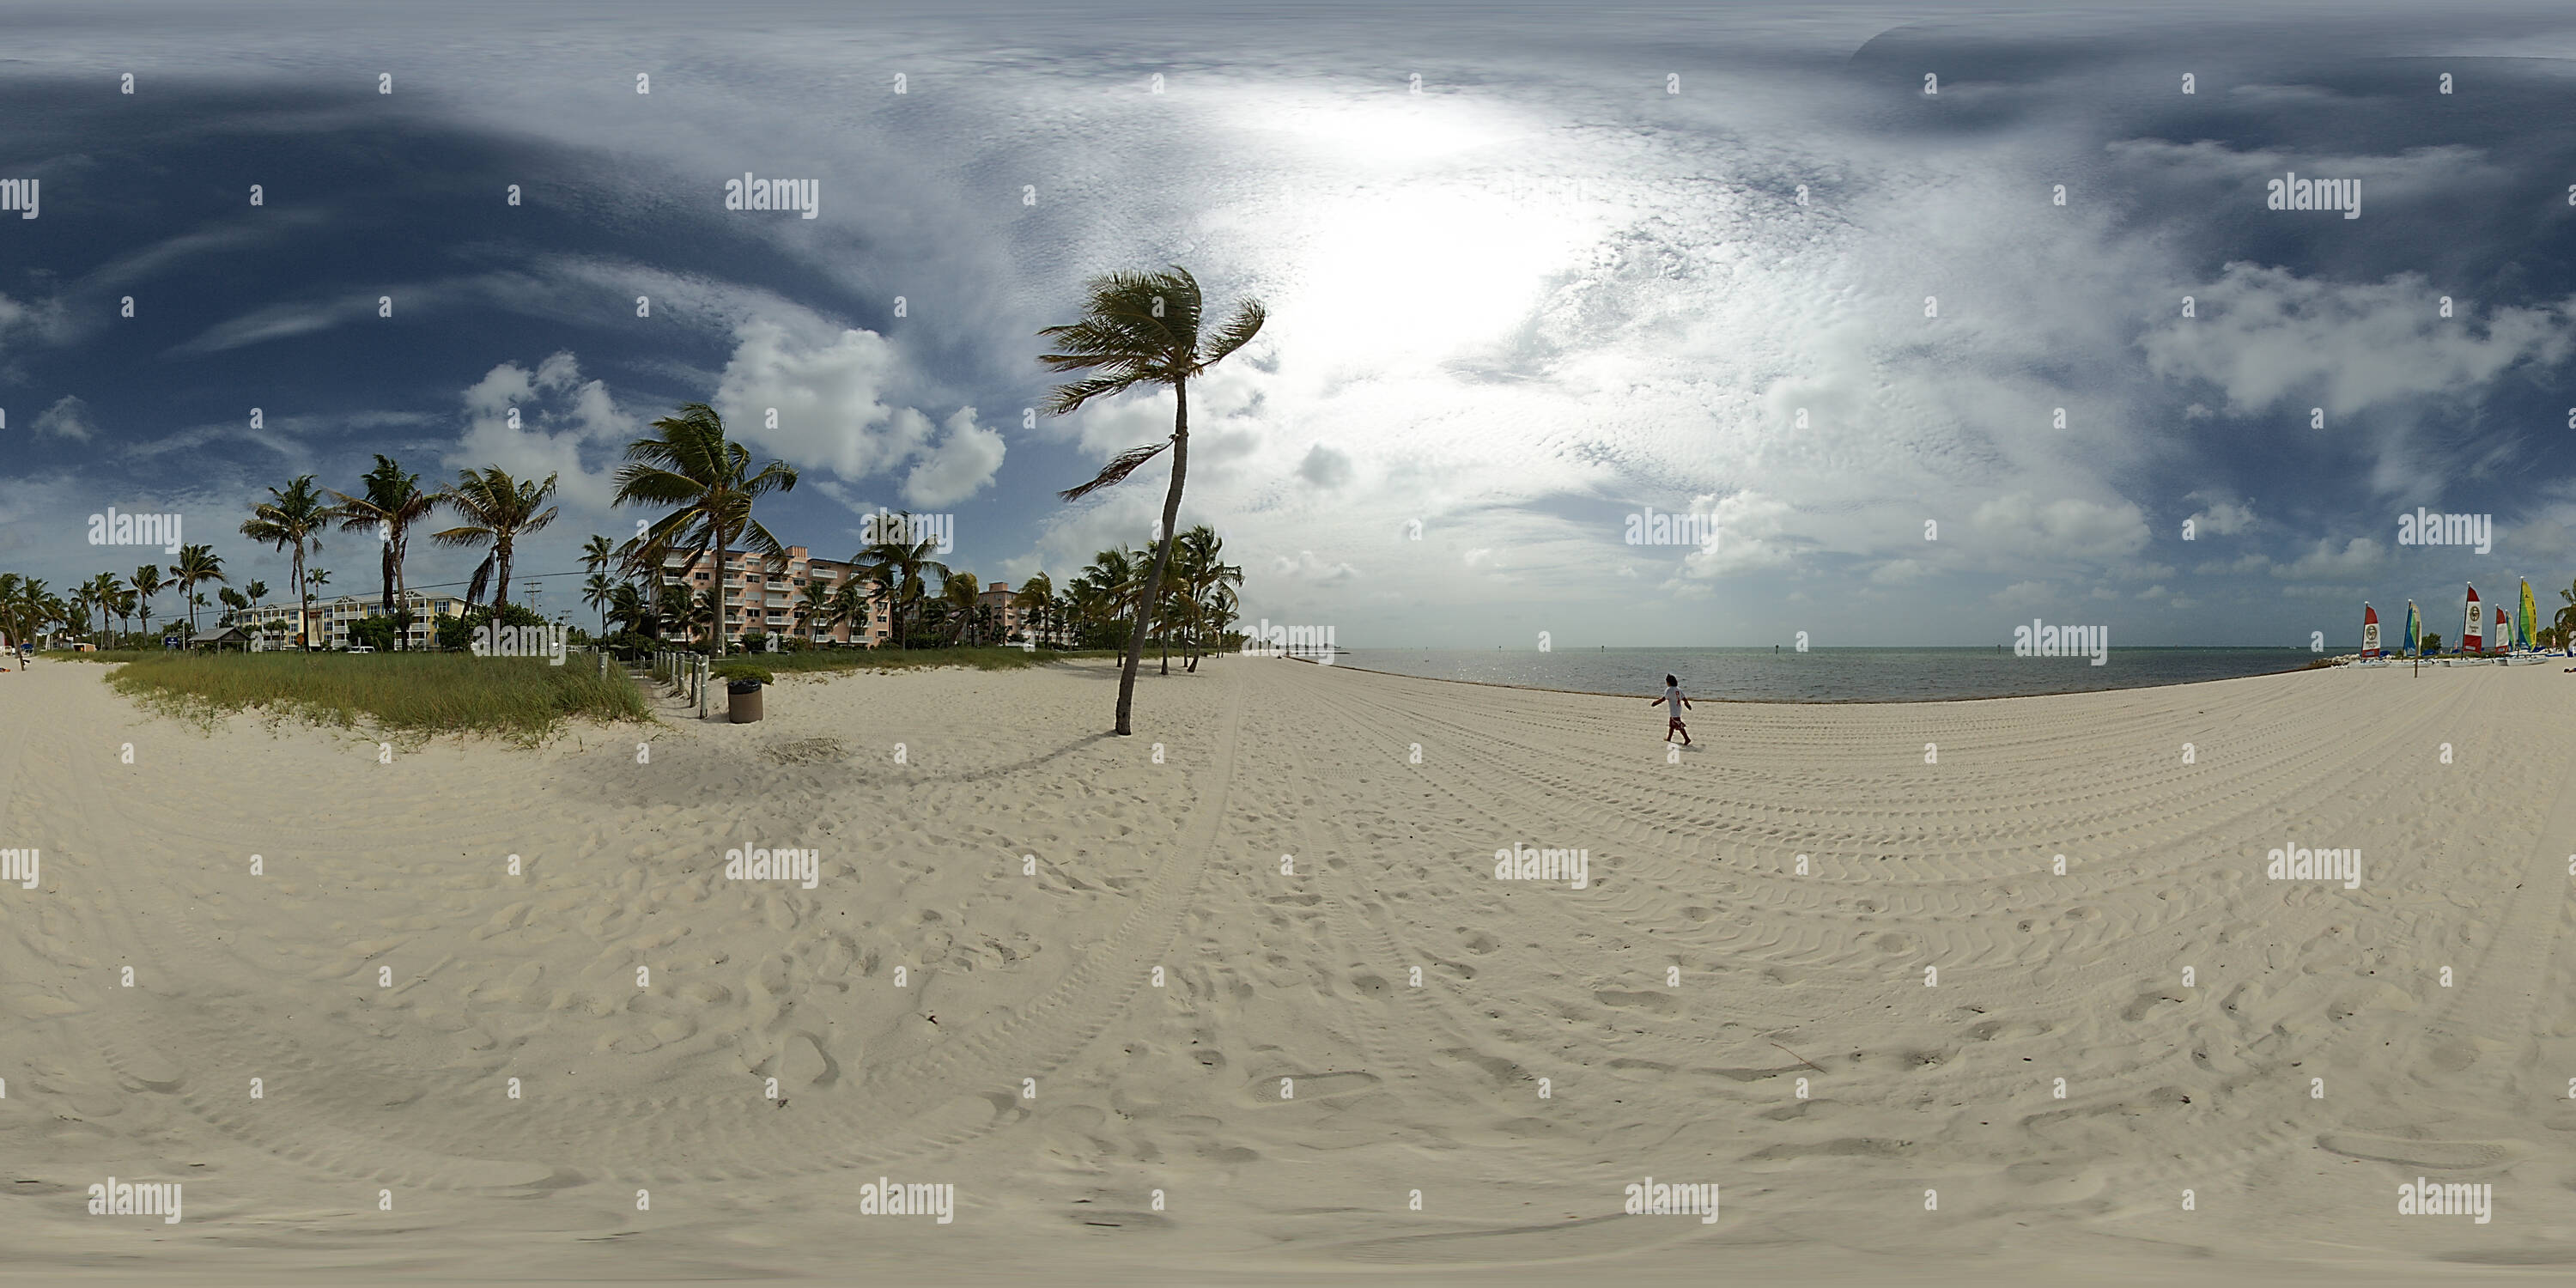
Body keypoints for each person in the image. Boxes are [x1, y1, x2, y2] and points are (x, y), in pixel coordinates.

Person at [1649, 672, 1692, 744]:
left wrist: (1655, 703)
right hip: (1678, 709)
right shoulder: (1678, 689)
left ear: (1668, 682)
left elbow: (1663, 699)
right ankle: (1669, 738)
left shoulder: (1669, 690)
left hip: (1674, 710)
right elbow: (1684, 698)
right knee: (1672, 724)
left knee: (1678, 724)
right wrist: (1687, 705)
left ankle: (1687, 739)